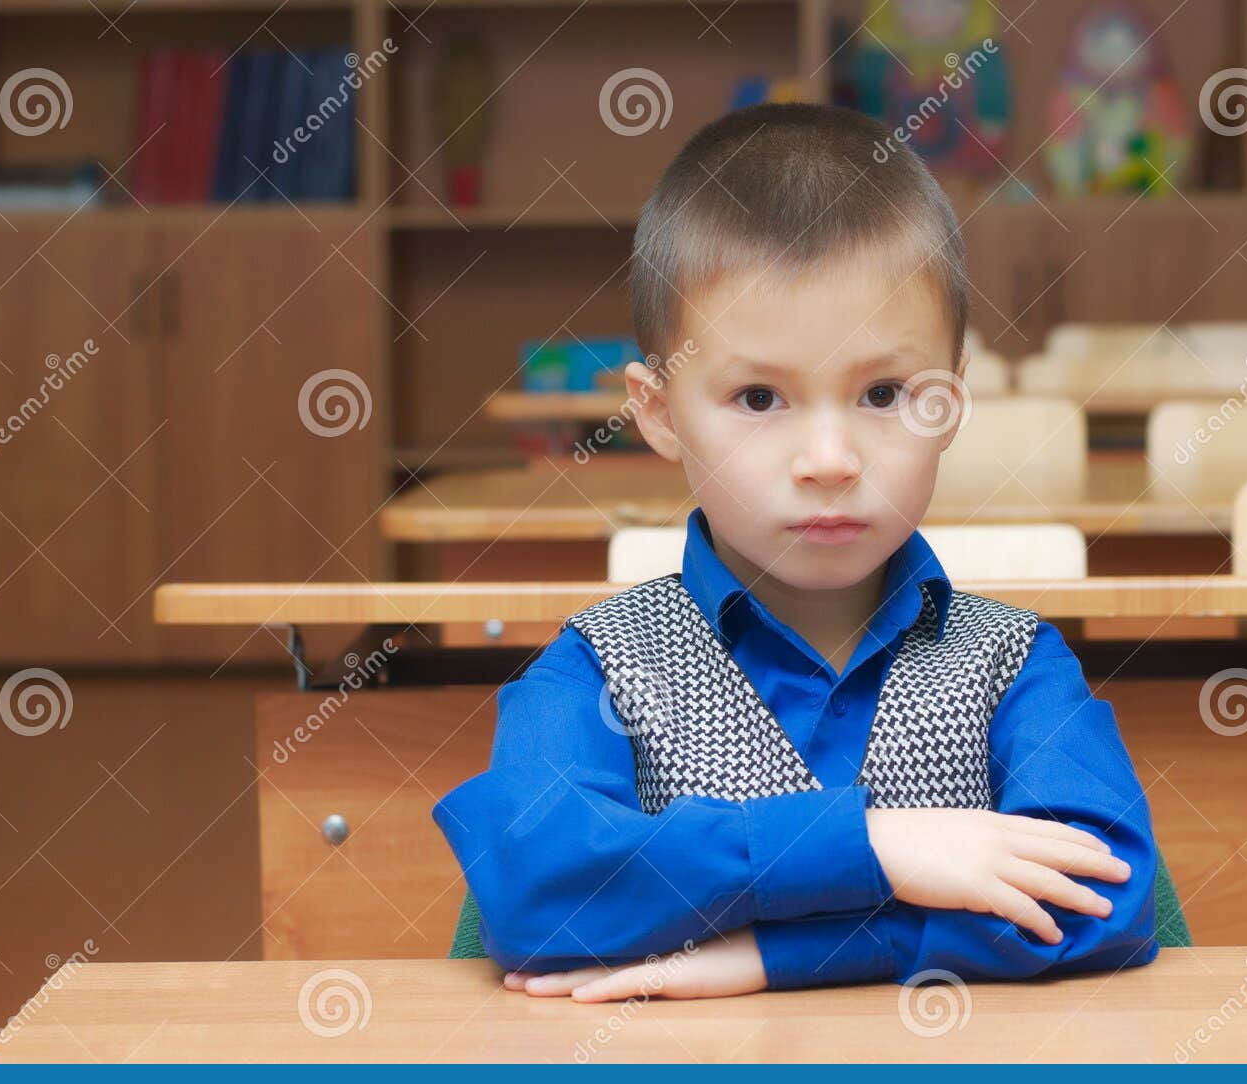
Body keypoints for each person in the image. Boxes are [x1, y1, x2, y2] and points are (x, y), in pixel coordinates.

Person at [432, 101, 1157, 1002]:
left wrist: (773, 958)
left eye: (884, 392)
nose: (829, 461)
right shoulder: (594, 669)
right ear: (656, 411)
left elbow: (1105, 900)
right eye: (760, 399)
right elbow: (538, 896)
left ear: (949, 402)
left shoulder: (1015, 666)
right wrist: (881, 848)